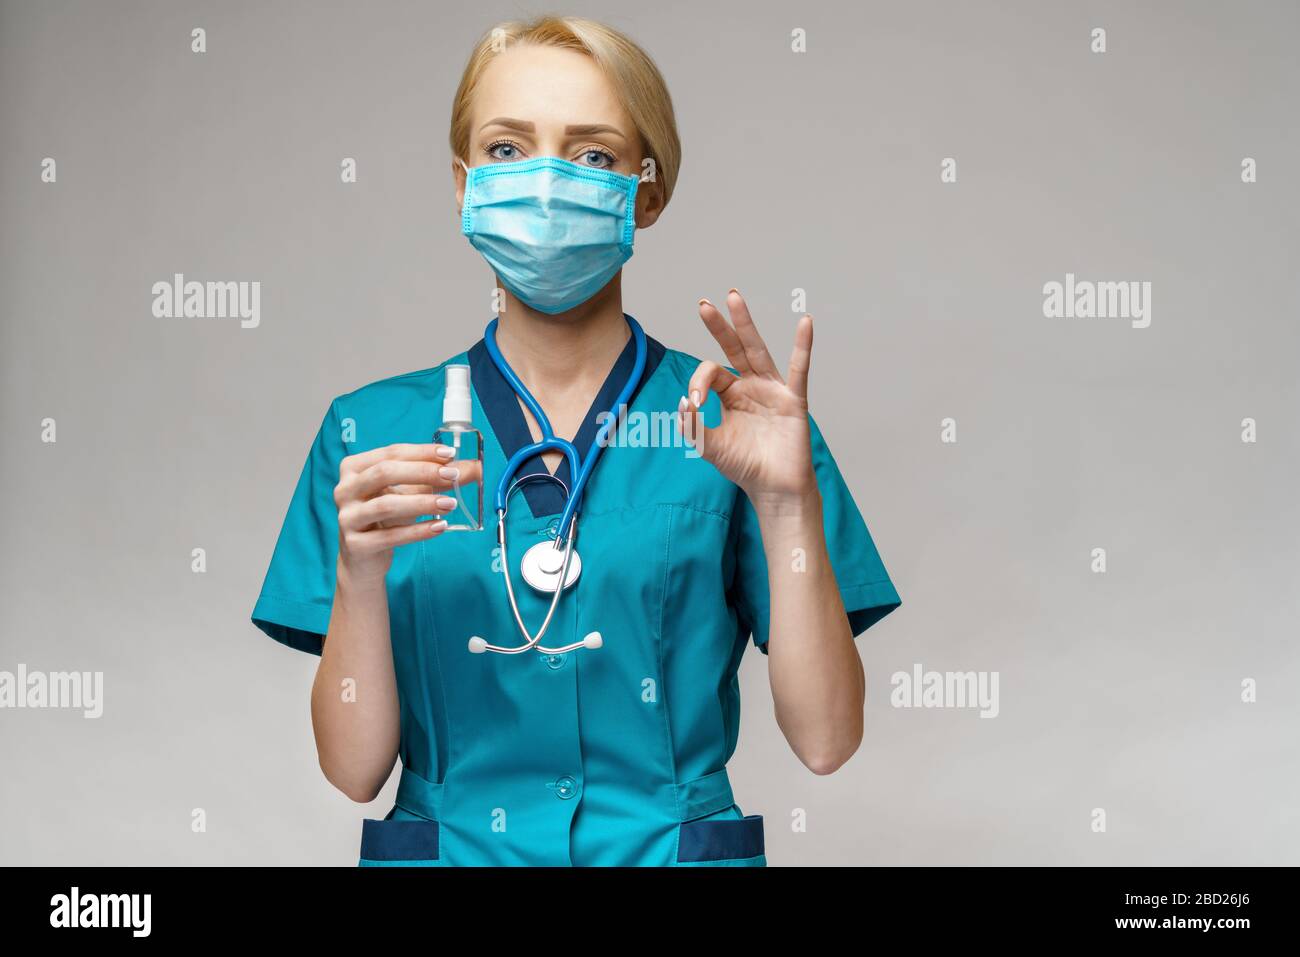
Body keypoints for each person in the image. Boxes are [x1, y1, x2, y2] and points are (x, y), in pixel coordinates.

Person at [251, 14, 900, 867]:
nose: (547, 182)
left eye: (592, 154)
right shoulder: (367, 435)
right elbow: (352, 769)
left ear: (648, 189)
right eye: (508, 149)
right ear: (463, 183)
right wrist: (359, 575)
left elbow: (827, 741)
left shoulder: (739, 425)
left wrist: (786, 507)